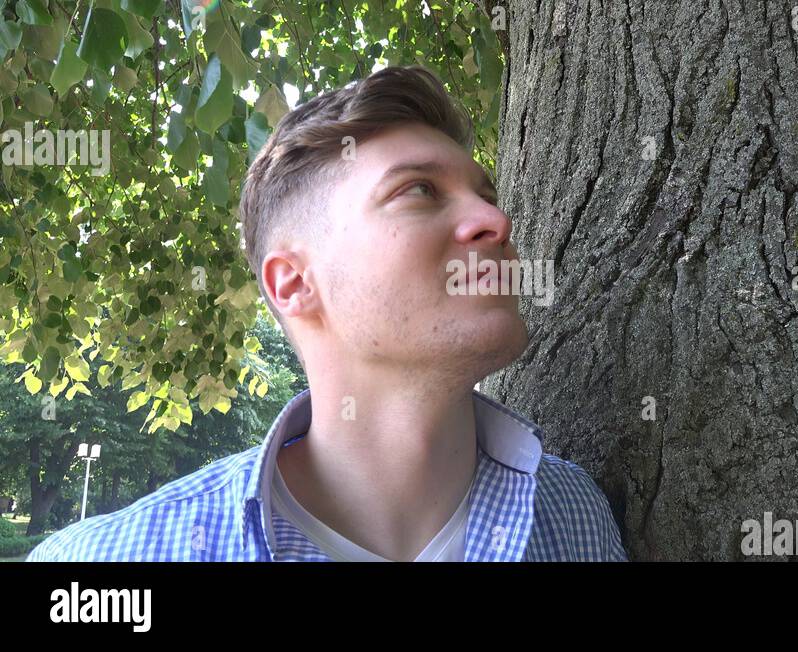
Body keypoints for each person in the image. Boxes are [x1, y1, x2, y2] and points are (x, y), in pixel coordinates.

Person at [26, 66, 627, 562]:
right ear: (294, 284)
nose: (497, 223)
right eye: (419, 190)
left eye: (487, 196)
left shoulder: (575, 517)